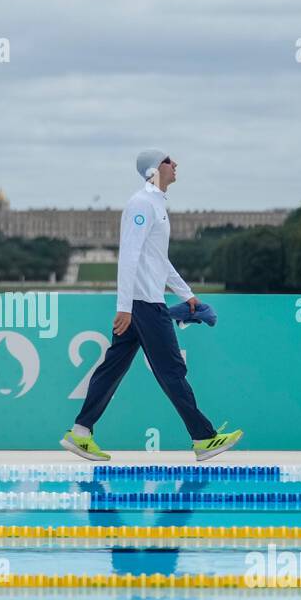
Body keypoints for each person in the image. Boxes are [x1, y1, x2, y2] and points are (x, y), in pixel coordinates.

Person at [60, 150, 243, 462]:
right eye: (170, 161)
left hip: (143, 303)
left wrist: (187, 295)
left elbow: (158, 259)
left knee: (112, 368)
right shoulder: (142, 204)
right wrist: (125, 307)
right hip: (143, 305)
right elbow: (129, 255)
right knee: (172, 371)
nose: (176, 165)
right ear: (156, 167)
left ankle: (80, 433)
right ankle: (203, 437)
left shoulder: (155, 203)